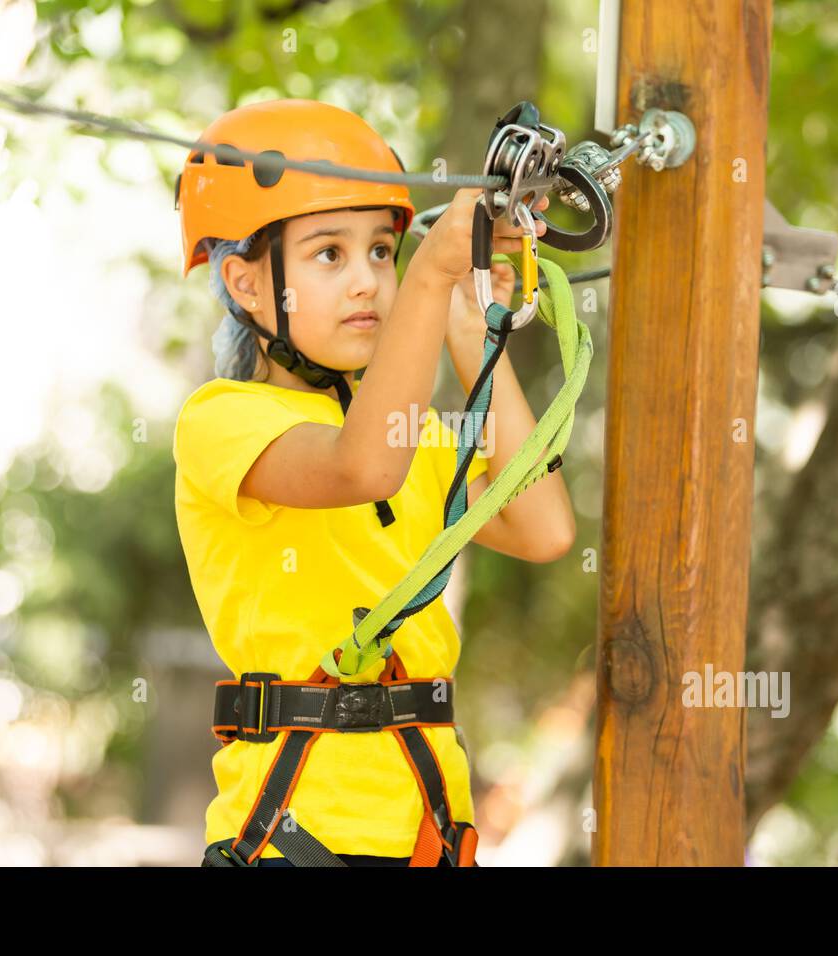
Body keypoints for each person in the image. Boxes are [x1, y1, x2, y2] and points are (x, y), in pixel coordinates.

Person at [173, 98, 576, 866]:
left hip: (428, 837)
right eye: (330, 254)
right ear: (247, 284)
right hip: (292, 838)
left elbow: (544, 528)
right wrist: (428, 275)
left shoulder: (411, 432)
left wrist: (467, 328)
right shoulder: (220, 422)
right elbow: (359, 467)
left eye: (383, 254)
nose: (366, 281)